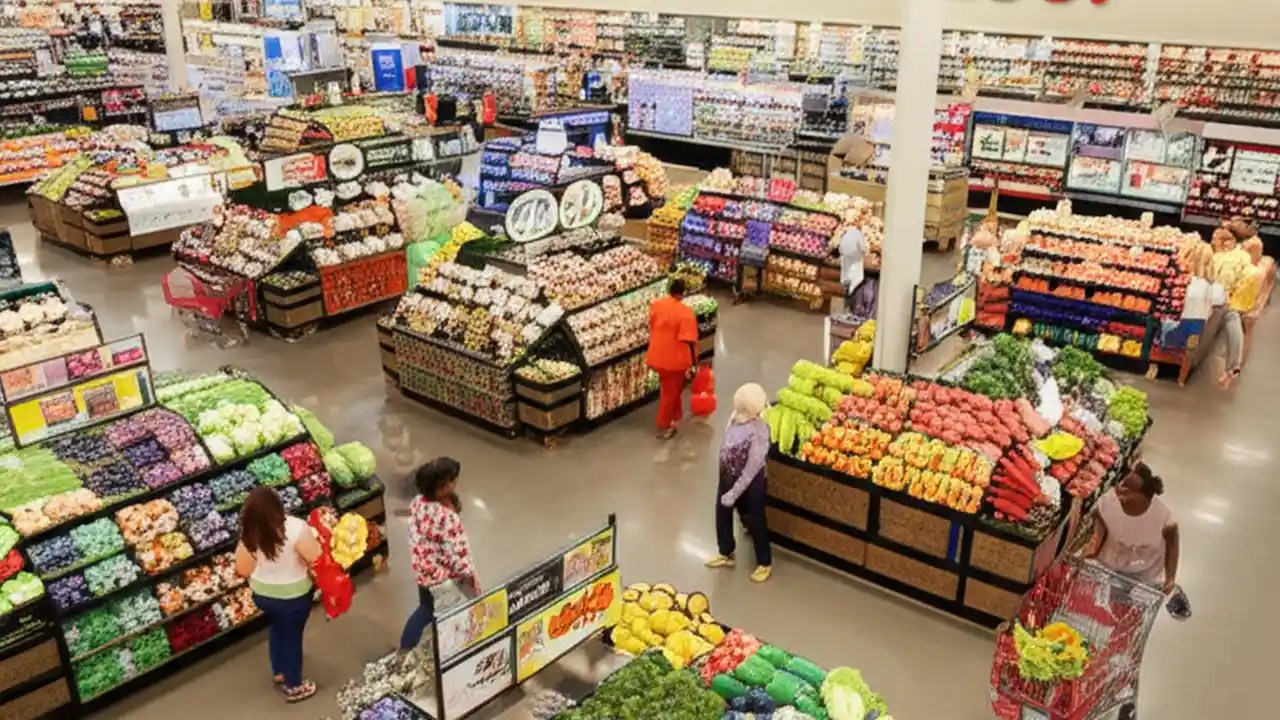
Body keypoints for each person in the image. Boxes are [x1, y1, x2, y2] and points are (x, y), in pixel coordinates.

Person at [235, 487, 322, 702]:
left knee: (277, 627)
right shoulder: (295, 528)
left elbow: (243, 570)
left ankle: (279, 671)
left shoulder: (248, 535)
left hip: (263, 595)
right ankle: (294, 686)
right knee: (292, 637)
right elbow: (315, 557)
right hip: (295, 596)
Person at [1085, 462, 1189, 619]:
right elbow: (1100, 516)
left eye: (1128, 489)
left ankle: (1121, 622)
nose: (1120, 490)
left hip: (1144, 569)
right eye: (1121, 486)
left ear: (1144, 495)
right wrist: (1096, 540)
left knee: (1129, 610)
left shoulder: (1162, 517)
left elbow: (1172, 542)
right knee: (1101, 599)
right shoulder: (1111, 500)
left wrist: (1170, 578)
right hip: (1112, 560)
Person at [399, 457, 478, 655]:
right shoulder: (446, 518)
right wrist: (469, 575)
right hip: (443, 579)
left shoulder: (418, 503)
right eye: (452, 481)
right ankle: (413, 650)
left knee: (426, 609)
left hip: (423, 570)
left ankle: (408, 647)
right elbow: (458, 556)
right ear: (442, 487)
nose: (455, 483)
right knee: (440, 613)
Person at [705, 383, 773, 583]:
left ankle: (764, 562)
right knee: (722, 514)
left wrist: (734, 492)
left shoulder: (760, 430)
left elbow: (753, 466)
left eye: (744, 406)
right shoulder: (734, 419)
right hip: (727, 477)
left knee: (756, 520)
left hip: (751, 484)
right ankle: (725, 551)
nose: (740, 409)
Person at [646, 278, 699, 439]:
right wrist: (693, 364)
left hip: (656, 356)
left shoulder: (656, 305)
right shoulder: (686, 313)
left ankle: (676, 417)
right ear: (683, 293)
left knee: (671, 389)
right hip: (675, 361)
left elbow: (652, 324)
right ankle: (664, 426)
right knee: (669, 393)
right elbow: (689, 340)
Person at [839, 224, 866, 308]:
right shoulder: (858, 234)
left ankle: (846, 297)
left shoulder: (846, 234)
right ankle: (851, 301)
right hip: (854, 259)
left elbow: (840, 248)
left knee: (846, 276)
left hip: (845, 258)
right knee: (854, 278)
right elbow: (863, 249)